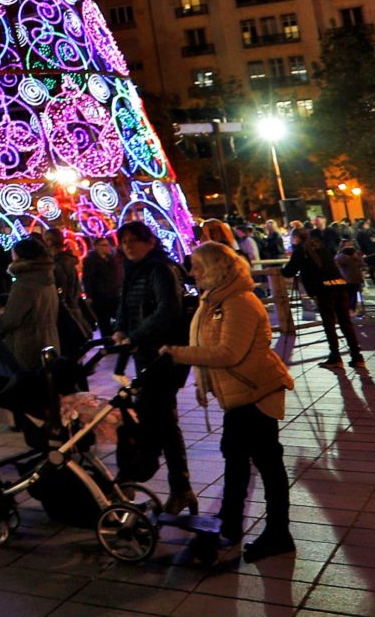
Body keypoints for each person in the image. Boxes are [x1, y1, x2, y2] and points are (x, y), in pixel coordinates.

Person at [161, 242, 296, 561]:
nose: (191, 271)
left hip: (255, 392)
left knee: (265, 464)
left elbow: (228, 353)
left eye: (197, 266)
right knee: (236, 461)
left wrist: (177, 354)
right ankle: (230, 524)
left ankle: (277, 533)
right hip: (240, 394)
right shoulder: (216, 300)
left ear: (216, 267)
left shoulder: (238, 302)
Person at [111, 222, 193, 512]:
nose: (128, 246)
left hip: (164, 356)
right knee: (159, 418)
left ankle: (138, 477)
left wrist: (135, 336)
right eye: (123, 242)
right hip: (146, 355)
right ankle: (174, 485)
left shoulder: (160, 269)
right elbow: (127, 308)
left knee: (156, 417)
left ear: (150, 242)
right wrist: (121, 331)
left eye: (134, 240)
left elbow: (167, 311)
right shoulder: (135, 271)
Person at [282, 224, 365, 371]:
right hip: (340, 285)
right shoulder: (321, 247)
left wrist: (282, 270)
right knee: (345, 323)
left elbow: (289, 271)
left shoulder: (301, 250)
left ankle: (335, 356)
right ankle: (357, 356)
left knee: (329, 324)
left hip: (324, 289)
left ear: (295, 238)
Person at [0, 237, 58, 375]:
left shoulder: (24, 284)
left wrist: (0, 321)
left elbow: (11, 318)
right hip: (49, 340)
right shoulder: (47, 277)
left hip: (29, 345)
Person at [81, 234, 120, 341]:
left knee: (118, 318)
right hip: (100, 296)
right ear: (96, 246)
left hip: (113, 294)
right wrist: (90, 295)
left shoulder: (111, 259)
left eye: (107, 245)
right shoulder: (91, 260)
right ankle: (108, 342)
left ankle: (116, 339)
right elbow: (88, 279)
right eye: (103, 245)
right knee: (104, 322)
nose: (107, 247)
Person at [336, 242, 367, 318]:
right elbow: (362, 264)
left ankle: (351, 309)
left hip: (351, 279)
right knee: (351, 295)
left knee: (352, 295)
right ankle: (350, 310)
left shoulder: (340, 257)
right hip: (351, 279)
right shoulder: (346, 258)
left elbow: (362, 264)